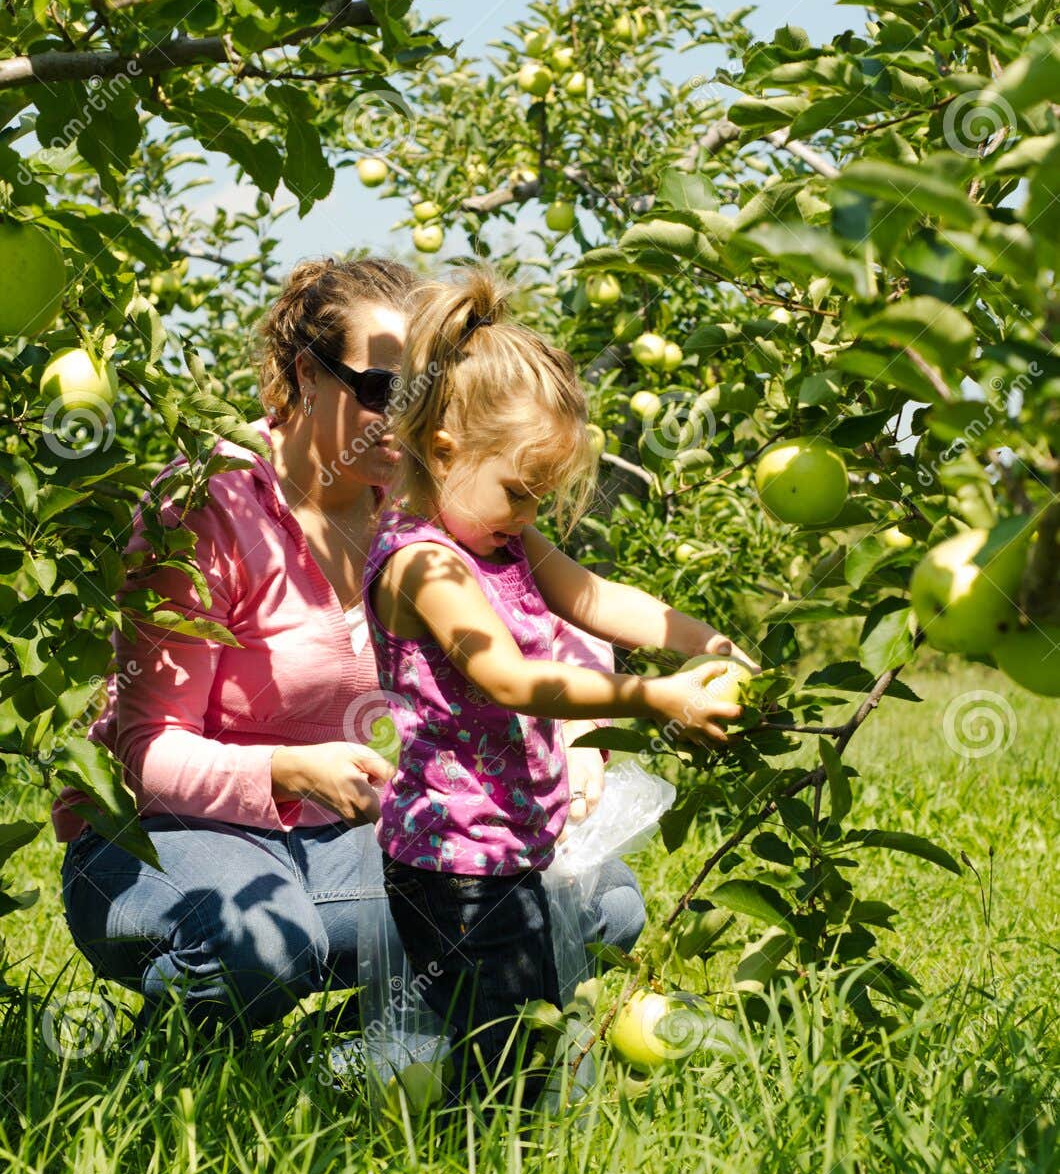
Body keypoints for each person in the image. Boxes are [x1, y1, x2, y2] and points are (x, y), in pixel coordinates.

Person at [53, 256, 645, 1041]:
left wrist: (579, 742)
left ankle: (350, 1046)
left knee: (599, 905)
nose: (403, 422)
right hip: (171, 839)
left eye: (426, 397)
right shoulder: (206, 508)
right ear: (306, 373)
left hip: (345, 839)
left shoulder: (427, 503)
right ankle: (167, 1049)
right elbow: (143, 756)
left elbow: (560, 630)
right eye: (381, 391)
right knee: (256, 947)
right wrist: (285, 770)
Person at [363, 266, 759, 1105]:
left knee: (527, 1023)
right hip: (450, 857)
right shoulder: (426, 561)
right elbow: (508, 679)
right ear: (443, 452)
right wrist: (655, 699)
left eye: (540, 496)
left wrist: (702, 639)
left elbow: (598, 600)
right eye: (518, 489)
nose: (527, 510)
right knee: (502, 1041)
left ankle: (468, 1146)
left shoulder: (509, 541)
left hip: (509, 843)